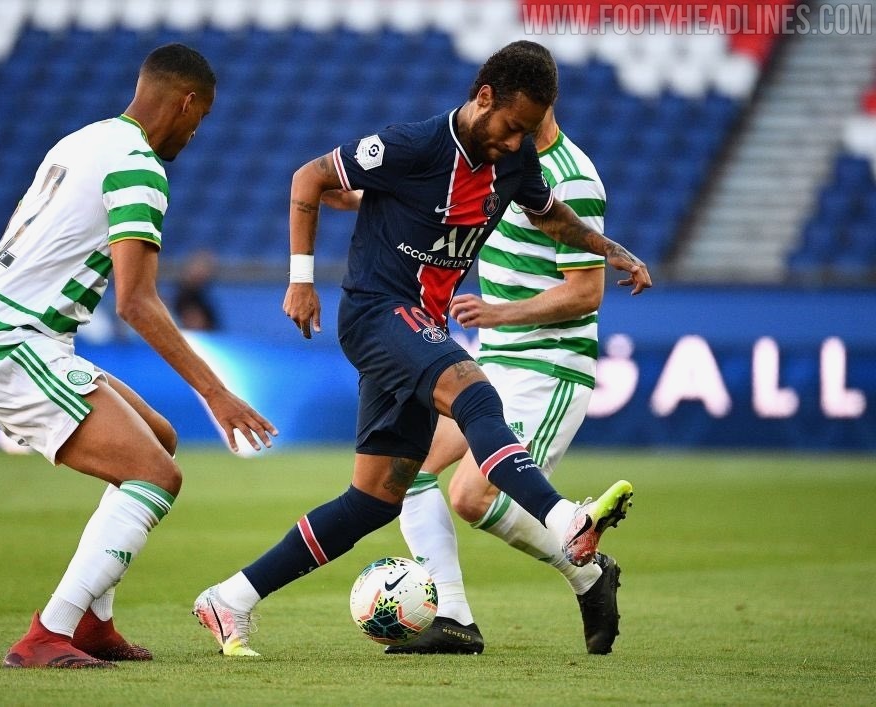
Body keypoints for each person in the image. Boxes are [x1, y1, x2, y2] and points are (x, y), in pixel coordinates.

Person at [192, 41, 650, 657]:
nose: (515, 143)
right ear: (482, 97)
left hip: (418, 326)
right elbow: (310, 177)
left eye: (527, 133)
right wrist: (300, 278)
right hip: (378, 312)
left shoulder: (512, 161)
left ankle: (229, 599)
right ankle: (567, 520)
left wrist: (610, 249)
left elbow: (552, 219)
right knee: (474, 393)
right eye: (512, 127)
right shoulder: (412, 145)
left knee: (375, 497)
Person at [0, 44, 277, 669]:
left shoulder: (87, 139)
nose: (195, 132)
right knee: (157, 477)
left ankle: (95, 625)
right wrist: (217, 392)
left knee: (159, 437)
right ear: (185, 103)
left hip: (12, 332)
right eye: (199, 118)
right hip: (11, 343)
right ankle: (47, 632)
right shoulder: (140, 167)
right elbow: (137, 303)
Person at [387, 106, 619, 656]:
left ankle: (589, 573)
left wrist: (499, 313)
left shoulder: (573, 177)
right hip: (494, 365)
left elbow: (586, 292)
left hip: (549, 366)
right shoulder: (495, 162)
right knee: (405, 469)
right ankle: (453, 618)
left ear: (540, 105)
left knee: (471, 495)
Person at [173, 250, 219, 331]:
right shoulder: (182, 297)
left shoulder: (203, 297)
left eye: (207, 267)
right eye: (199, 267)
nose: (202, 272)